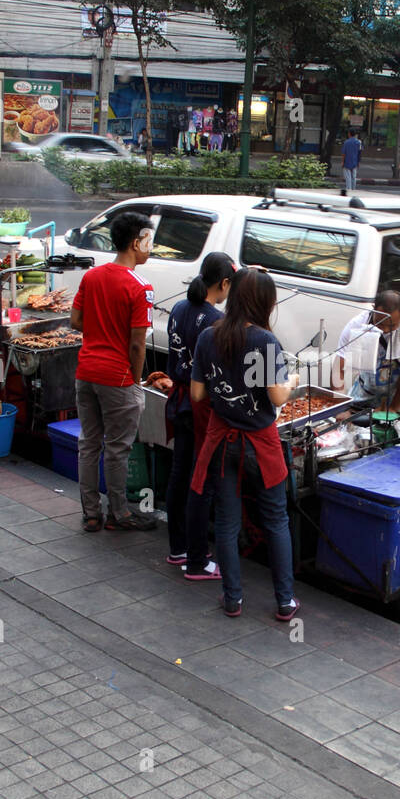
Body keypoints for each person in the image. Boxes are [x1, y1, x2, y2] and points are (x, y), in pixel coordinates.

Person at [189, 268, 300, 621]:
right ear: (265, 302)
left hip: (223, 441)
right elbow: (277, 396)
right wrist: (293, 380)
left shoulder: (209, 336)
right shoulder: (265, 341)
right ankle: (284, 602)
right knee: (275, 520)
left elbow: (196, 393)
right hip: (260, 443)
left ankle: (232, 598)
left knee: (226, 521)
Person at [70, 211, 159, 533]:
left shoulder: (91, 277)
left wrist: (102, 327)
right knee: (118, 449)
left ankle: (90, 513)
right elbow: (138, 345)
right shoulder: (140, 287)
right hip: (118, 377)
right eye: (149, 240)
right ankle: (119, 514)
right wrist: (134, 382)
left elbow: (75, 321)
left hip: (86, 371)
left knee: (89, 443)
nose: (152, 246)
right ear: (137, 243)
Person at [165, 252, 234, 579]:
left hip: (177, 402)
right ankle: (197, 559)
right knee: (200, 481)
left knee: (179, 474)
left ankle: (177, 547)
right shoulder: (214, 321)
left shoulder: (179, 308)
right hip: (199, 408)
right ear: (223, 283)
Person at [334, 290, 400, 413]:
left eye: (392, 326)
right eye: (380, 323)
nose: (385, 330)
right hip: (365, 391)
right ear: (373, 309)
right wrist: (340, 408)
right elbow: (337, 367)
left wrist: (393, 407)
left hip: (399, 394)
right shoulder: (356, 325)